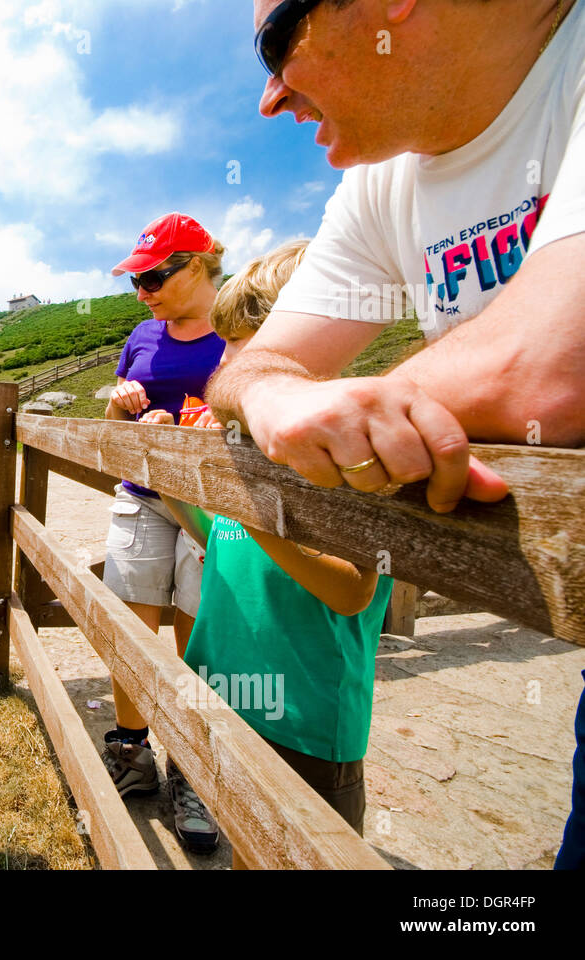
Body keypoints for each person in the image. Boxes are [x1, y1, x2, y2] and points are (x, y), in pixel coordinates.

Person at [206, 0, 585, 870]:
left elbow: (551, 368)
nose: (270, 99)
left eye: (275, 42)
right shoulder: (383, 183)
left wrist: (340, 398)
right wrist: (273, 400)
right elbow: (252, 370)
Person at [160, 240, 391, 867]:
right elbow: (225, 542)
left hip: (307, 719)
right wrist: (176, 488)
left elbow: (351, 590)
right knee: (248, 842)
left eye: (243, 346)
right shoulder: (249, 449)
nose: (226, 363)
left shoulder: (354, 452)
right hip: (231, 695)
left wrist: (247, 510)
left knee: (307, 852)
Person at [99, 212, 226, 854]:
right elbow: (114, 408)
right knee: (131, 624)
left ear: (199, 266)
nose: (144, 291)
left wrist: (216, 421)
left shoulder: (242, 333)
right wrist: (120, 399)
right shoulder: (143, 334)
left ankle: (194, 775)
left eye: (154, 276)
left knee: (199, 635)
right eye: (136, 281)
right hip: (144, 498)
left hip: (215, 511)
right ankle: (132, 751)